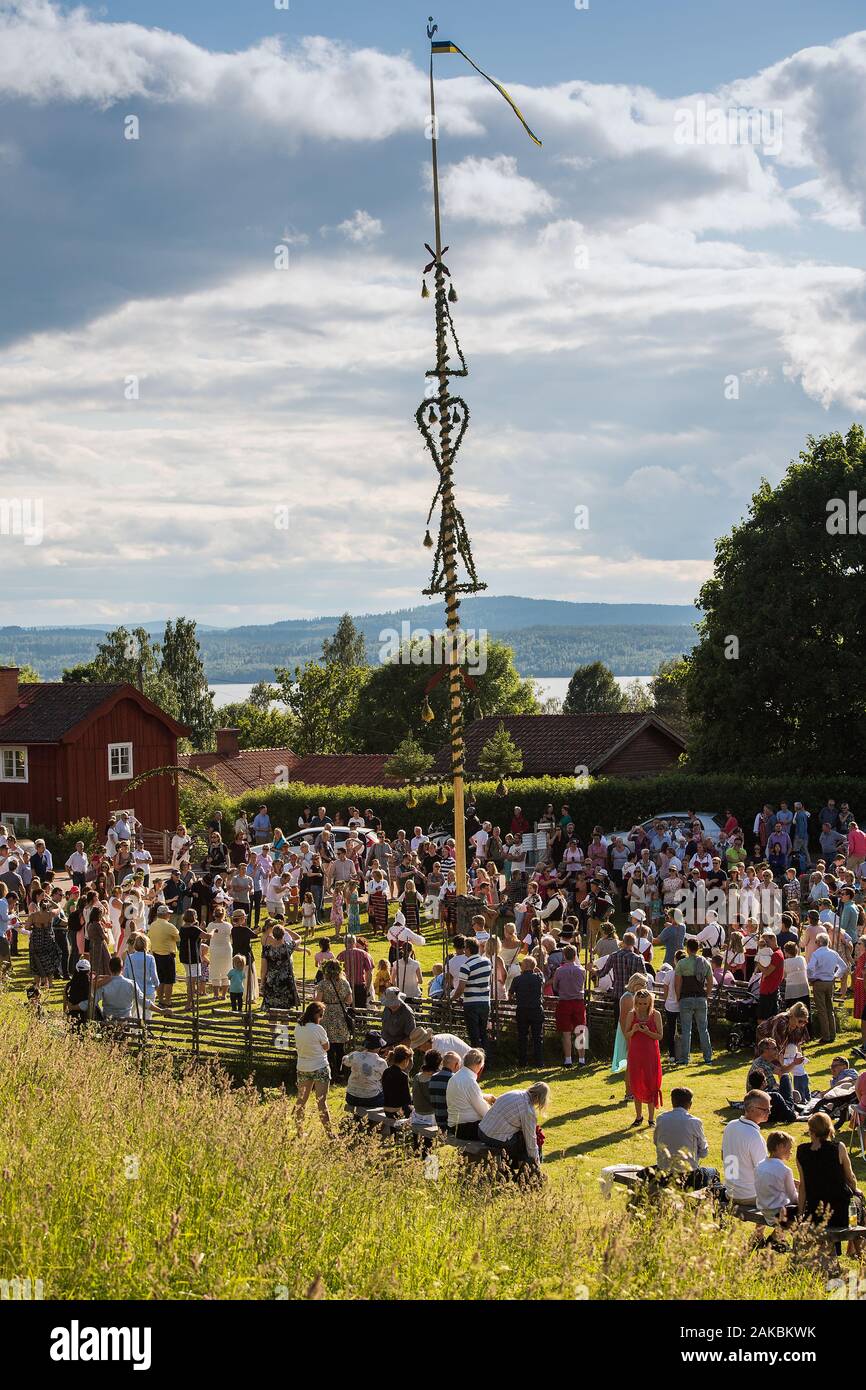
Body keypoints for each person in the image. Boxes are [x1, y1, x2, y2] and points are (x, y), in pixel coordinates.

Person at [797, 1113, 863, 1256]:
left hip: (816, 1213)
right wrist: (855, 1190)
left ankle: (849, 1248)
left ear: (811, 1131)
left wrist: (801, 1213)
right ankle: (855, 1249)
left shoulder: (801, 1151)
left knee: (853, 1203)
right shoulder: (838, 1147)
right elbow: (850, 1177)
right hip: (841, 1213)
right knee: (858, 1203)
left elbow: (803, 1187)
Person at [653, 1087, 718, 1188]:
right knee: (714, 1173)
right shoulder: (694, 1122)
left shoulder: (661, 1118)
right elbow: (704, 1152)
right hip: (688, 1177)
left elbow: (656, 1142)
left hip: (663, 1175)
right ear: (690, 1104)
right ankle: (710, 1202)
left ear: (672, 1101)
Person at [479, 1083, 549, 1174]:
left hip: (482, 1131)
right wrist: (536, 1161)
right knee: (527, 1144)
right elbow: (531, 1139)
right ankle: (527, 1175)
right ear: (539, 1099)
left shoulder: (514, 1093)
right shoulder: (528, 1110)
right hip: (493, 1138)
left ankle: (514, 1171)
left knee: (521, 1140)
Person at [722, 1089, 771, 1207]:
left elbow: (725, 1158)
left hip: (730, 1192)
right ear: (752, 1109)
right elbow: (764, 1173)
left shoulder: (730, 1125)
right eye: (765, 1109)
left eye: (770, 1108)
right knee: (793, 1198)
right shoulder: (754, 1136)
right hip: (749, 1196)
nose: (769, 1112)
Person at [625, 988, 663, 1127]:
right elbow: (626, 1035)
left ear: (650, 1003)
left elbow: (660, 1036)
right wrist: (634, 1029)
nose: (642, 1006)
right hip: (636, 1053)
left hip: (651, 1054)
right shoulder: (631, 1014)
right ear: (636, 1002)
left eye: (645, 1004)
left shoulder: (656, 1015)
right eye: (640, 1003)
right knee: (636, 1083)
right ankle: (638, 1116)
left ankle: (651, 1119)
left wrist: (648, 1032)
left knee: (651, 1083)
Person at [294, 1002, 332, 1135]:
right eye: (321, 1015)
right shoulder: (318, 1029)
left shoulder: (298, 1027)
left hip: (303, 1066)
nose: (321, 1018)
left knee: (301, 1100)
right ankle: (329, 1133)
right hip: (319, 1066)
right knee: (321, 1101)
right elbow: (326, 1047)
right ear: (316, 1014)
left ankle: (299, 1131)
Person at [675, 937, 713, 1065]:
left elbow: (678, 983)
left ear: (687, 948)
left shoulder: (682, 963)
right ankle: (708, 1058)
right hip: (701, 998)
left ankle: (685, 1058)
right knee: (703, 1029)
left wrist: (678, 996)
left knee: (686, 1030)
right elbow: (710, 982)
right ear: (698, 948)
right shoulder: (705, 963)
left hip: (686, 998)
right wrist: (706, 995)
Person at [315, 960, 354, 1080]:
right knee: (340, 1045)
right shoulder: (344, 983)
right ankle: (342, 1071)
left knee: (329, 1045)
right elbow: (349, 1000)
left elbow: (318, 1001)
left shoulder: (323, 984)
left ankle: (331, 1070)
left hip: (327, 1014)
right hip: (340, 1014)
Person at [451, 938, 492, 1049]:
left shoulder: (466, 966)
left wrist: (452, 998)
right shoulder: (487, 962)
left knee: (474, 1035)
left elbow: (461, 988)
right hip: (484, 1001)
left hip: (471, 1003)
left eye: (465, 948)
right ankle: (487, 1061)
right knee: (483, 1033)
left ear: (468, 949)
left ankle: (477, 1061)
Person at [807, 931, 847, 1042]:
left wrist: (810, 978)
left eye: (816, 941)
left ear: (819, 942)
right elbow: (843, 967)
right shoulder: (833, 953)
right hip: (830, 982)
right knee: (830, 1009)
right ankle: (832, 1034)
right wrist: (835, 976)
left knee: (822, 1010)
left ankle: (826, 1036)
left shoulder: (816, 954)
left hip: (819, 982)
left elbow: (809, 968)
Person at [754, 1131, 798, 1230]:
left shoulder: (759, 1166)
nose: (791, 1152)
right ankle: (775, 1240)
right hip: (778, 1212)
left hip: (764, 1209)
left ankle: (773, 1239)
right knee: (804, 1207)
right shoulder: (785, 1170)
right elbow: (794, 1198)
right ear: (780, 1147)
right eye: (789, 1148)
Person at [551, 944, 586, 1067]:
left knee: (566, 1033)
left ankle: (568, 1059)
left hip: (564, 1001)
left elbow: (555, 986)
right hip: (578, 1002)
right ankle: (581, 1059)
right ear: (575, 955)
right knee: (580, 1031)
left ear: (564, 956)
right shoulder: (582, 970)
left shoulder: (559, 971)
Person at [446, 1048, 490, 1139]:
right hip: (467, 1129)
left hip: (454, 1127)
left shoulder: (455, 1078)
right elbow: (485, 1113)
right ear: (479, 1065)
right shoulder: (470, 1081)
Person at [510, 956, 545, 1067]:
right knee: (537, 1037)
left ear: (525, 966)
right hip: (536, 1009)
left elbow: (510, 995)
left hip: (522, 1010)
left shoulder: (517, 979)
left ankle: (522, 1062)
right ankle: (539, 1062)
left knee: (522, 1037)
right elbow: (542, 979)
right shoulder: (538, 978)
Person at [93, 955, 149, 1023]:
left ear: (109, 968)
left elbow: (93, 1002)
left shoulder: (104, 984)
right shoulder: (131, 984)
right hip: (126, 1020)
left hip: (108, 1019)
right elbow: (143, 1001)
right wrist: (161, 1011)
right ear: (122, 968)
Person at [343, 1032, 389, 1111]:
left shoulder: (355, 1055)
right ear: (379, 1046)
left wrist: (350, 1054)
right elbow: (385, 1079)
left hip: (351, 1097)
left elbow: (345, 1060)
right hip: (371, 1099)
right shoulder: (380, 1062)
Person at [146, 905, 179, 1011]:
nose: (170, 915)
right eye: (168, 913)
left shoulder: (153, 925)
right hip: (167, 955)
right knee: (169, 980)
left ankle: (160, 1000)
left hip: (156, 955)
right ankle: (167, 1001)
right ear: (165, 914)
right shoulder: (169, 926)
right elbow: (178, 938)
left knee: (160, 979)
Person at [260, 924, 299, 1011]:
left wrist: (262, 983)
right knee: (285, 1011)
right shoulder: (288, 946)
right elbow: (298, 938)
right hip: (285, 981)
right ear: (283, 934)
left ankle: (272, 1025)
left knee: (271, 1010)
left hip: (271, 980)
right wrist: (288, 930)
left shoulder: (266, 949)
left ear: (273, 934)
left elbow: (264, 969)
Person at [428, 1050, 461, 1131]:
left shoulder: (433, 1077)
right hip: (451, 1123)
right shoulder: (454, 1079)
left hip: (438, 1120)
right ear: (456, 1065)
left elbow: (432, 1102)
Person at [382, 1044, 413, 1118]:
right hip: (397, 1110)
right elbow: (407, 1099)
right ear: (405, 1059)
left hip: (386, 1106)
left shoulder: (386, 1071)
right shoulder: (403, 1075)